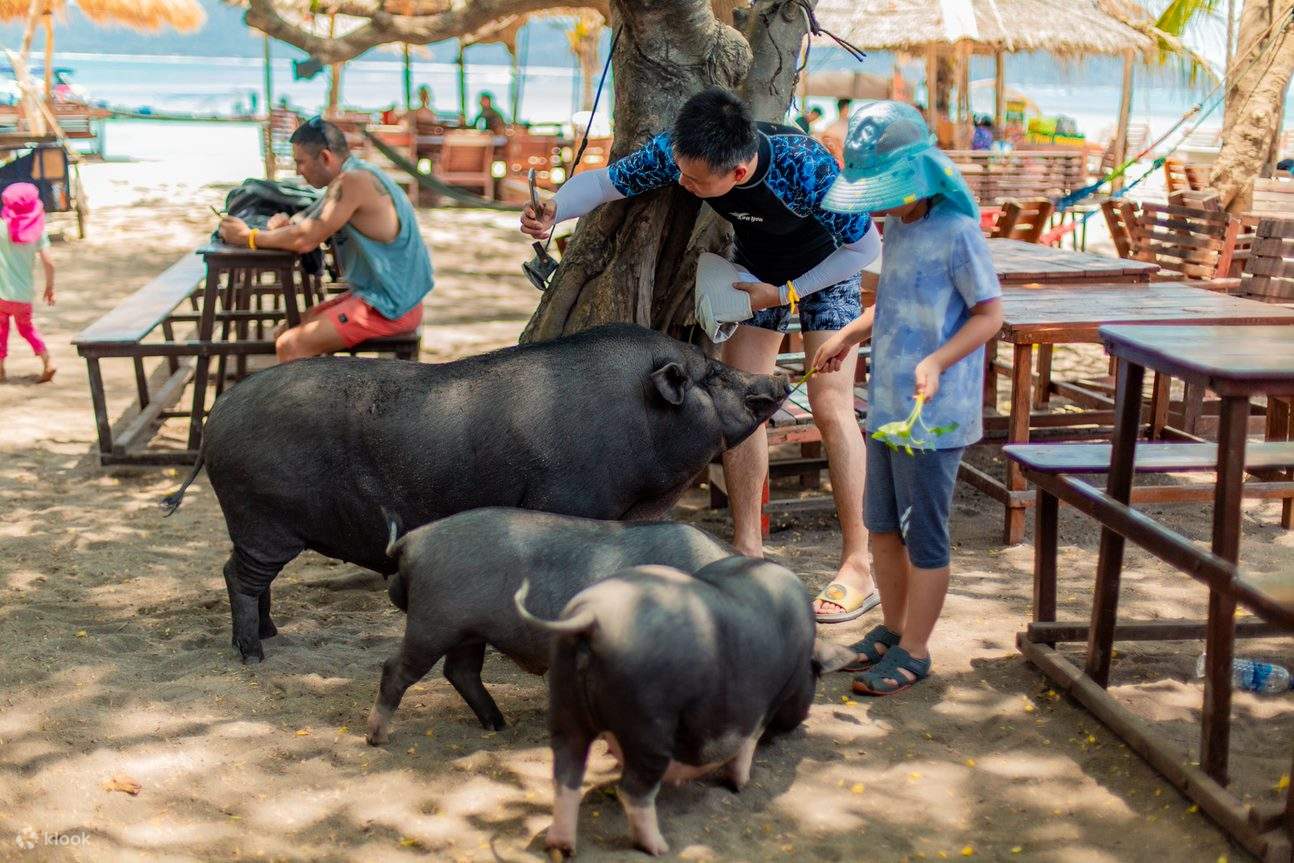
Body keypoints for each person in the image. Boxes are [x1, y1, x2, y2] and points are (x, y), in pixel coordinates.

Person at [520, 86, 882, 622]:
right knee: (743, 404)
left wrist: (785, 295)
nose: (683, 184)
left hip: (826, 272)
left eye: (694, 181)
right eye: (681, 172)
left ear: (736, 174)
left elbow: (866, 247)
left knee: (832, 408)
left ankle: (858, 564)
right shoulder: (685, 151)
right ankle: (747, 551)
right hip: (754, 270)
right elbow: (604, 183)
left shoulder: (806, 168)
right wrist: (554, 209)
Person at [811, 101, 1002, 696]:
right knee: (881, 527)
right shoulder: (895, 229)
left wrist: (939, 360)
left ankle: (916, 650)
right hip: (888, 406)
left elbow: (989, 315)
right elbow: (888, 303)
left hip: (935, 417)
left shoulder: (958, 234)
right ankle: (892, 631)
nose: (875, 202)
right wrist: (847, 333)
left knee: (924, 535)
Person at [218, 117, 434, 363]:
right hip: (385, 297)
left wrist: (249, 237)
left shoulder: (352, 181)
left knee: (291, 345)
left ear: (325, 157)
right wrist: (286, 226)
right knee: (288, 327)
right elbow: (308, 222)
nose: (298, 171)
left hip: (391, 306)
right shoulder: (354, 173)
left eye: (301, 162)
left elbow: (304, 240)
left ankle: (311, 402)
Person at [0, 183, 55, 383]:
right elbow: (49, 262)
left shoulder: (1, 228)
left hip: (1, 296)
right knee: (27, 329)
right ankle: (48, 361)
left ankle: (0, 369)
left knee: (1, 330)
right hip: (23, 296)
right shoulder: (37, 233)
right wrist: (49, 287)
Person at [819, 98, 853, 165]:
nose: (849, 110)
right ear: (845, 108)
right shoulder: (832, 126)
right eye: (848, 107)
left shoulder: (831, 126)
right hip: (841, 161)